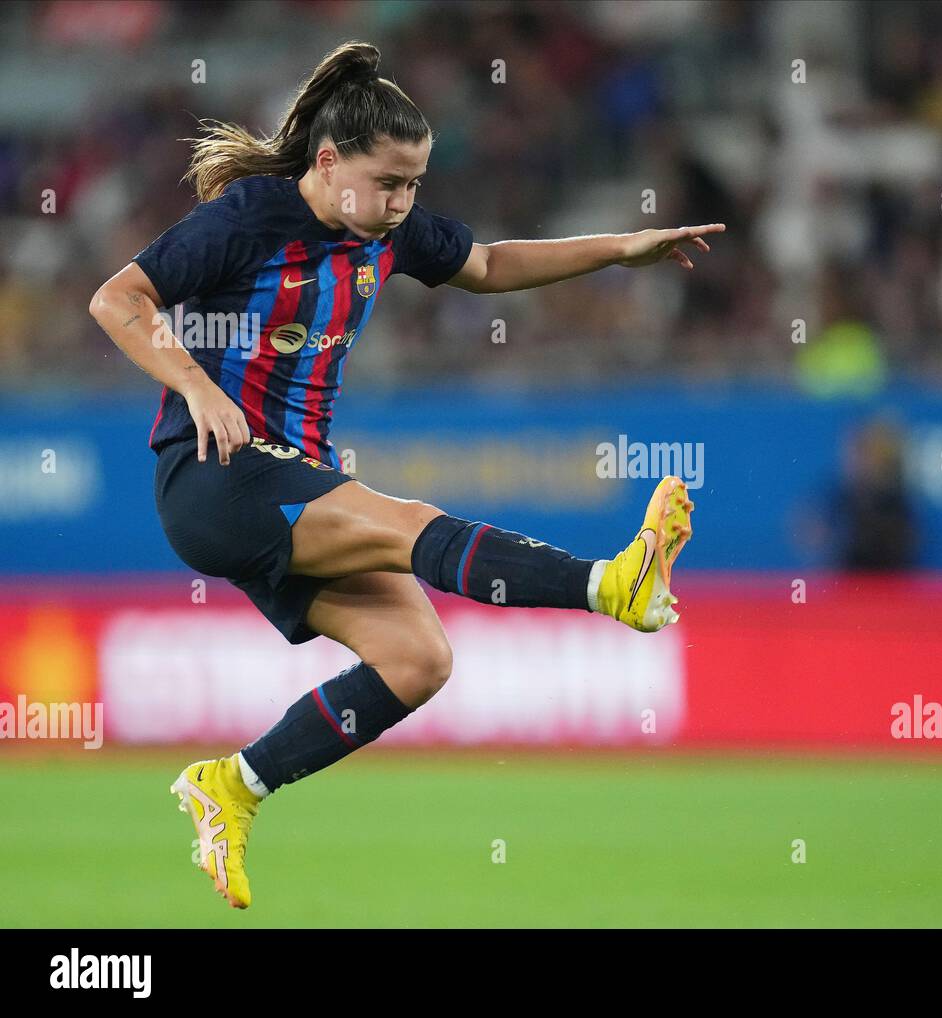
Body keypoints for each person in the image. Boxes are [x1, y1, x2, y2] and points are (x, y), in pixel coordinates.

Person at [88, 40, 723, 909]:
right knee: (405, 519)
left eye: (414, 184)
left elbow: (491, 266)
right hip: (215, 478)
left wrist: (622, 249)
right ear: (328, 162)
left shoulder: (386, 229)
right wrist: (196, 387)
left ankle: (234, 785)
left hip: (290, 484)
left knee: (418, 659)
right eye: (388, 183)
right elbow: (117, 299)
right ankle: (610, 585)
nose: (403, 203)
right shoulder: (247, 219)